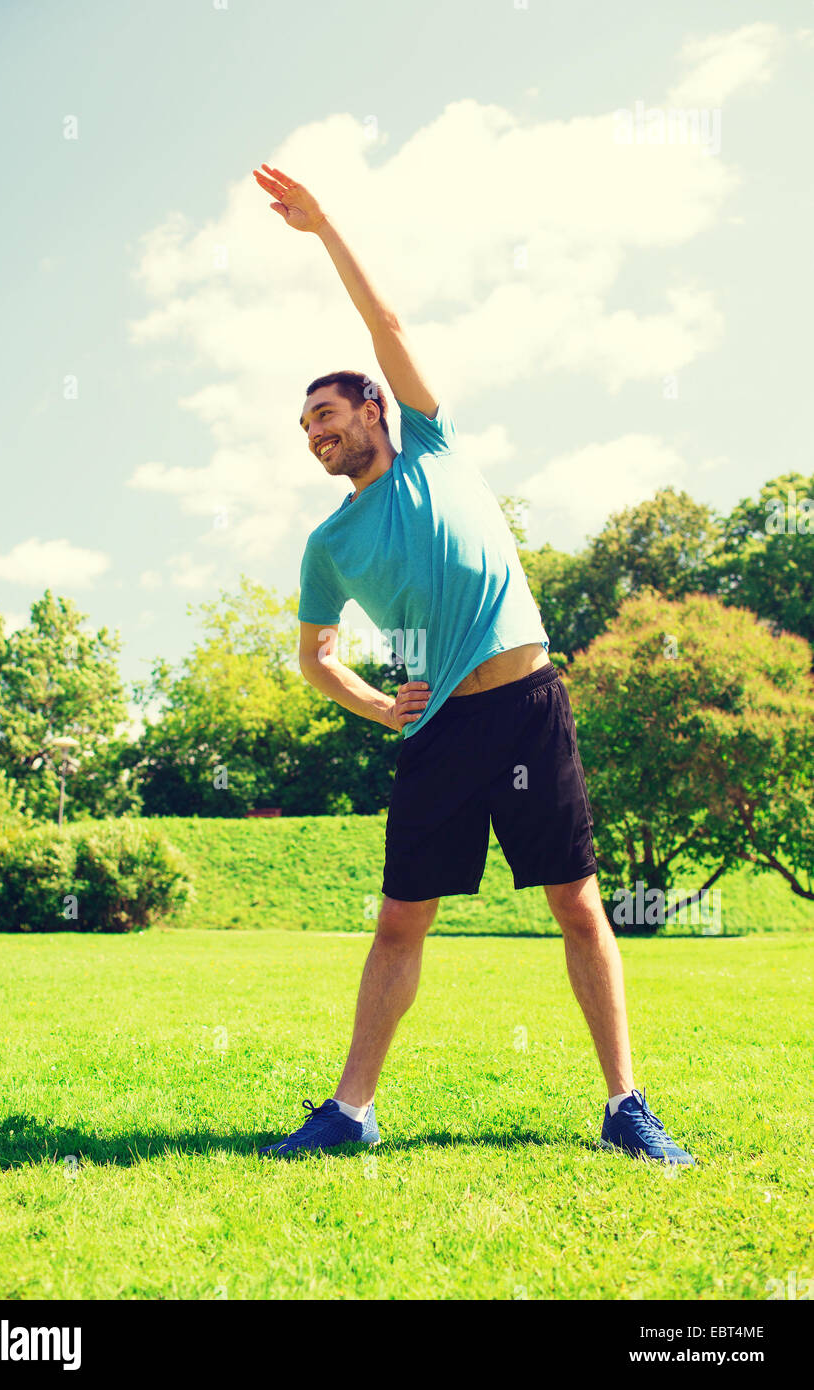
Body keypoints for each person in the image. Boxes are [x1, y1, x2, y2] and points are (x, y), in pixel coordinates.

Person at [251, 162, 695, 1167]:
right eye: (305, 430)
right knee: (401, 918)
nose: (317, 436)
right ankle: (350, 1110)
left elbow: (389, 324)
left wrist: (323, 229)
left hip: (528, 703)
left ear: (372, 409)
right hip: (440, 727)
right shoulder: (328, 543)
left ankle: (624, 1104)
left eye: (327, 415)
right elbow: (315, 657)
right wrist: (379, 707)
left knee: (576, 901)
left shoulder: (432, 449)